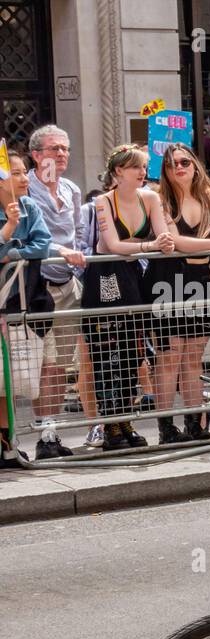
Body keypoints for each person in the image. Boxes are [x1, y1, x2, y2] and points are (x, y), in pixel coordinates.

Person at [78, 146, 176, 451]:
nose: (142, 172)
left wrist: (162, 244)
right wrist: (149, 245)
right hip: (105, 277)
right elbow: (112, 245)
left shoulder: (151, 198)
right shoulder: (102, 202)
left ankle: (125, 421)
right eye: (135, 167)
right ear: (118, 171)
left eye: (144, 167)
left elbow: (163, 239)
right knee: (107, 352)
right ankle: (111, 425)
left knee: (133, 352)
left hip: (134, 277)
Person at [153, 142, 210, 444]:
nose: (179, 167)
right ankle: (166, 427)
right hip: (169, 281)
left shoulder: (209, 195)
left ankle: (194, 423)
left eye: (184, 162)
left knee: (194, 356)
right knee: (169, 357)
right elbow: (175, 240)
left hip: (203, 280)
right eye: (171, 163)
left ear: (195, 165)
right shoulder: (160, 198)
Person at [26, 125, 90, 452]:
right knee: (44, 364)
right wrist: (60, 251)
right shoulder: (23, 189)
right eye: (53, 149)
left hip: (69, 284)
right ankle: (43, 435)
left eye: (65, 148)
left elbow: (79, 233)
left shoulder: (71, 189)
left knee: (61, 364)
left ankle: (51, 434)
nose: (61, 154)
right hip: (38, 287)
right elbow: (27, 235)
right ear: (36, 156)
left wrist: (79, 256)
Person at [0, 152, 52, 461]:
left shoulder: (30, 206)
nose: (23, 178)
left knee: (7, 382)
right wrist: (8, 230)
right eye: (16, 173)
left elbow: (42, 244)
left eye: (23, 172)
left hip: (18, 304)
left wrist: (11, 252)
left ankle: (7, 445)